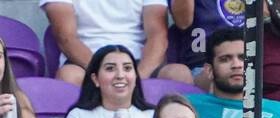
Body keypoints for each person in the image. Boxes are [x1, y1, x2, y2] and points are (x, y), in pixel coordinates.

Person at [41, 0, 189, 86]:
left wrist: (138, 77)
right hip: (86, 61)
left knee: (179, 74)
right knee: (69, 76)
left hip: (137, 61)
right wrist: (103, 71)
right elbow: (66, 38)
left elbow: (157, 36)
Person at [187, 27, 280, 118]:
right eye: (225, 59)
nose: (236, 65)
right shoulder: (188, 106)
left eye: (243, 58)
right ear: (209, 70)